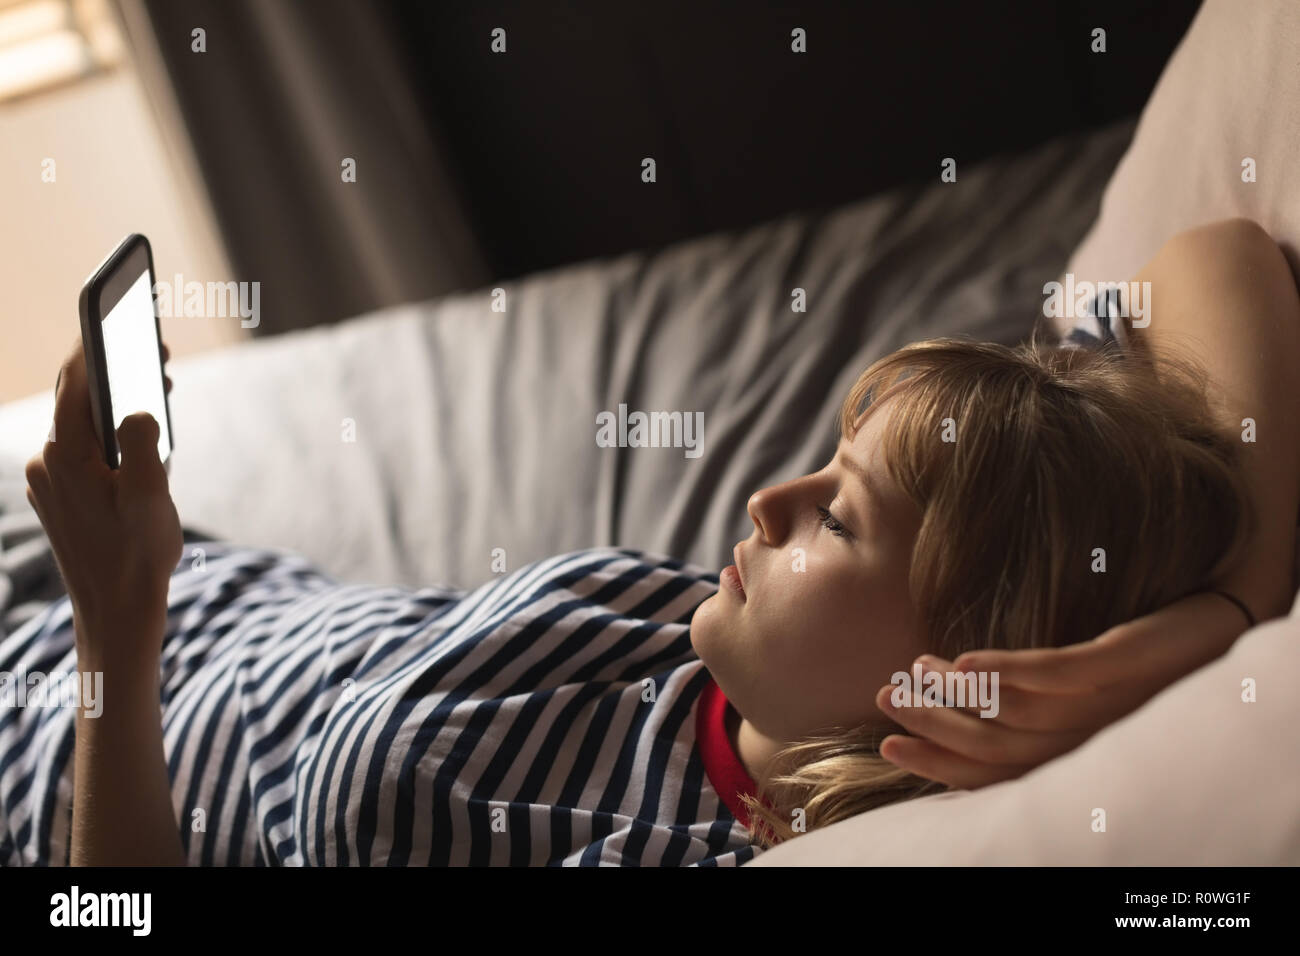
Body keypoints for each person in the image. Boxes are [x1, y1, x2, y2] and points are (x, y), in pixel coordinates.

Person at [7, 218, 1297, 865]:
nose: (766, 503)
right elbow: (1220, 253)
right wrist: (1220, 615)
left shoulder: (650, 839)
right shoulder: (755, 679)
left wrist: (120, 626)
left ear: (967, 657)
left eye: (837, 519)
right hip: (205, 594)